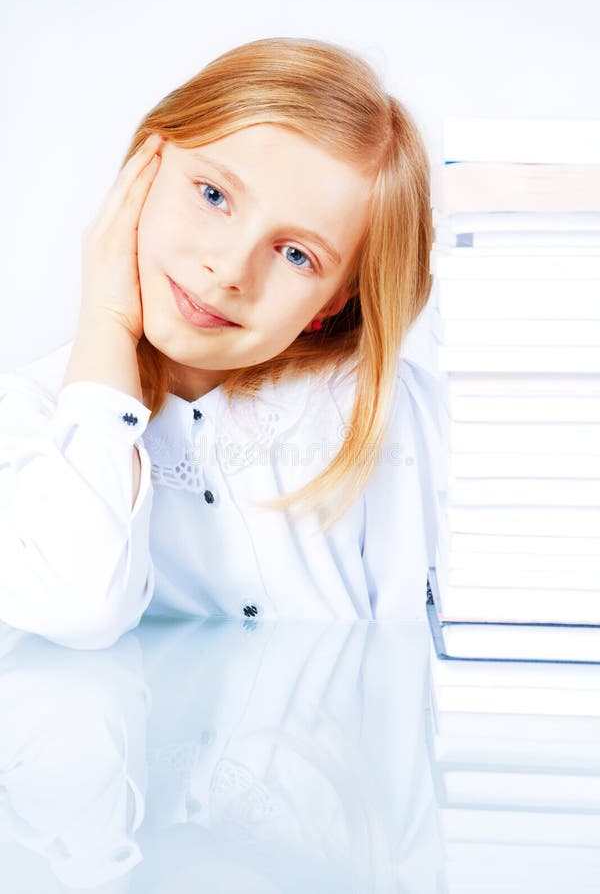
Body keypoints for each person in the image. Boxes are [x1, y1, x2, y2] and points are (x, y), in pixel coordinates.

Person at [0, 36, 443, 649]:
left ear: (333, 302)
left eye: (296, 254)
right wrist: (105, 322)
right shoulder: (30, 419)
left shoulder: (383, 410)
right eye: (214, 195)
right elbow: (80, 609)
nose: (231, 269)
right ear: (144, 168)